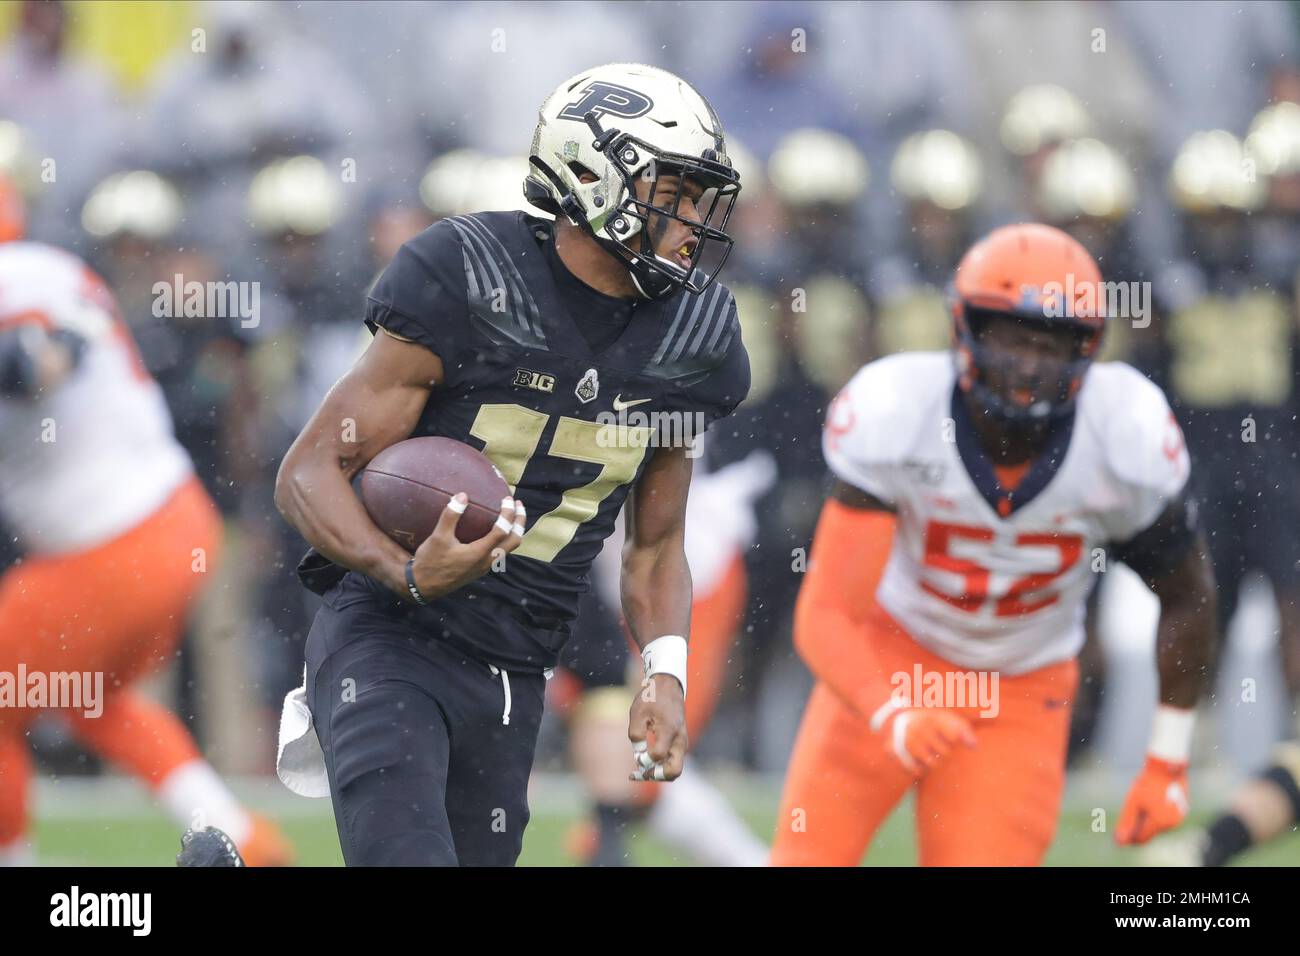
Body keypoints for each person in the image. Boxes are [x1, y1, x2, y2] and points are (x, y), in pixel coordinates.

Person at [274, 63, 749, 866]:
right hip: (389, 637)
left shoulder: (693, 339)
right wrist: (407, 571)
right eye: (673, 192)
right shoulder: (468, 275)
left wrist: (665, 672)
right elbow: (306, 473)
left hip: (518, 663)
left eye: (700, 198)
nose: (693, 220)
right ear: (597, 177)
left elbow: (656, 545)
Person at [770, 223, 1217, 866]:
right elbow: (827, 615)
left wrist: (1168, 760)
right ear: (966, 330)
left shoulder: (1125, 436)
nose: (1029, 366)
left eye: (1051, 344)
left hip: (1021, 689)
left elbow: (1189, 598)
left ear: (1089, 349)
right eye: (1010, 338)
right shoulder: (899, 410)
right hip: (894, 657)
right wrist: (893, 709)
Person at [0, 186, 290, 866]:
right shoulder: (46, 266)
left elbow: (39, 361)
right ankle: (242, 840)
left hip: (112, 543)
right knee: (94, 699)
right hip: (165, 522)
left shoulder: (21, 275)